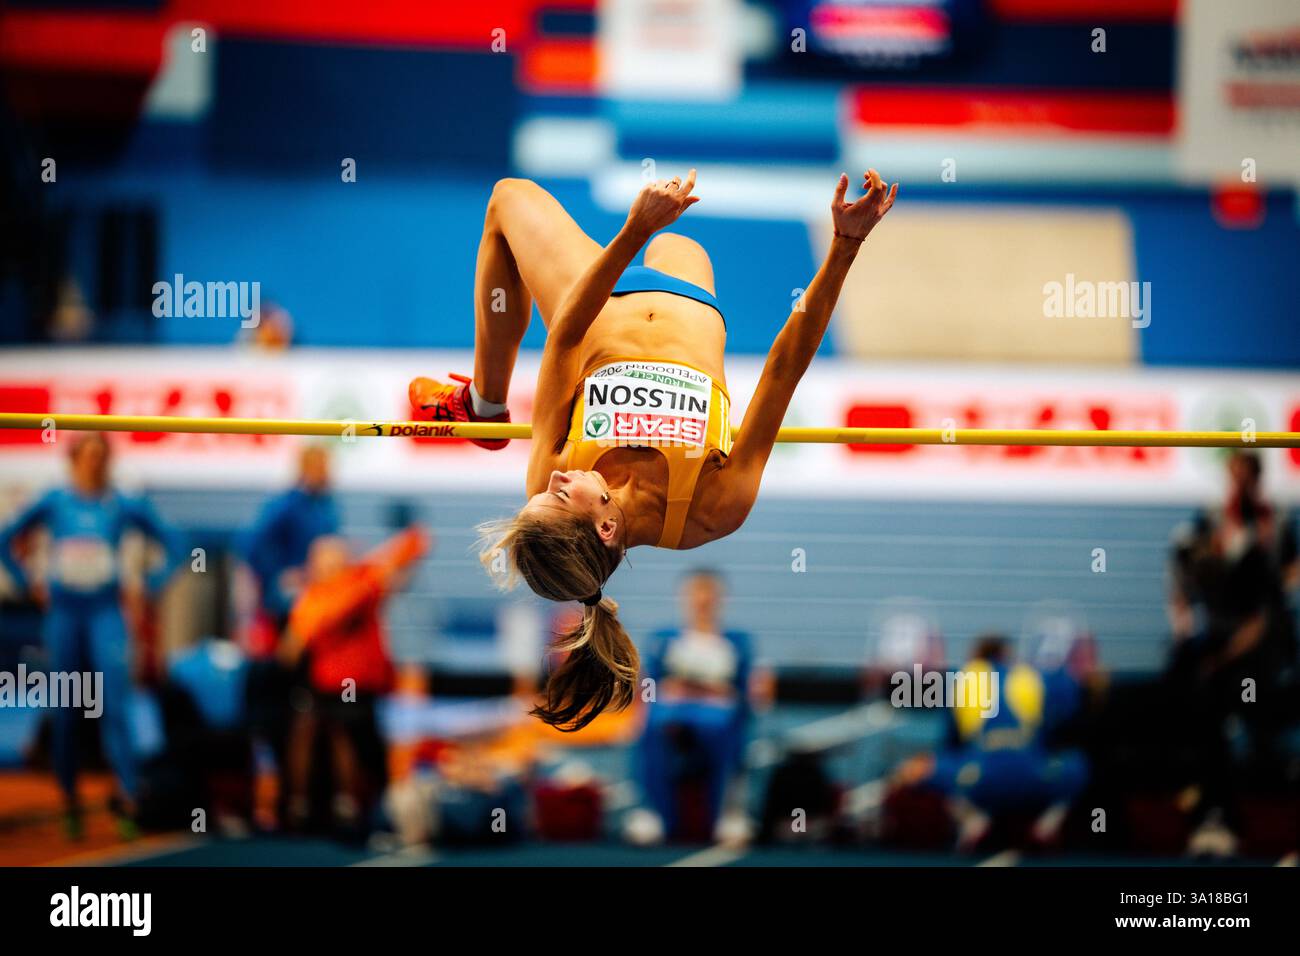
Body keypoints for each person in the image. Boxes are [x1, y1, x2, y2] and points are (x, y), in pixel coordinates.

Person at [410, 169, 898, 730]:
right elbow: (783, 369)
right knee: (679, 244)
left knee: (507, 198)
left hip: (601, 298)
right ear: (606, 529)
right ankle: (651, 245)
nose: (552, 481)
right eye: (559, 497)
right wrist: (844, 245)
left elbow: (565, 334)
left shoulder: (557, 471)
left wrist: (631, 234)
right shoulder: (712, 510)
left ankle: (485, 408)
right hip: (686, 293)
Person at [0, 432, 185, 838]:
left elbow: (176, 542)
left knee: (114, 706)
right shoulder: (54, 501)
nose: (94, 465)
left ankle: (129, 798)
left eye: (101, 457)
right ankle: (70, 801)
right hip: (66, 613)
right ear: (73, 461)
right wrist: (27, 581)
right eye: (87, 457)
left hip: (106, 612)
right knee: (67, 709)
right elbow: (5, 538)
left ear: (109, 462)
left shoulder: (121, 504)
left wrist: (148, 585)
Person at [282, 527, 428, 837]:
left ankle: (358, 808)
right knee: (320, 737)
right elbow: (290, 648)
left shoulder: (356, 585)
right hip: (328, 688)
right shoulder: (321, 595)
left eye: (333, 560)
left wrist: (401, 547)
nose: (326, 567)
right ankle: (310, 807)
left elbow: (409, 551)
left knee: (359, 746)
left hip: (357, 689)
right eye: (322, 561)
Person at [631, 568, 757, 843]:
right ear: (685, 598)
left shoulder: (737, 641)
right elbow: (652, 684)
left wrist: (700, 687)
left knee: (725, 731)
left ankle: (726, 814)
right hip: (672, 711)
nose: (702, 600)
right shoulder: (664, 638)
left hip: (718, 716)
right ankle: (655, 814)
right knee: (650, 726)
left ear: (720, 599)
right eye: (696, 593)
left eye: (709, 594)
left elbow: (741, 691)